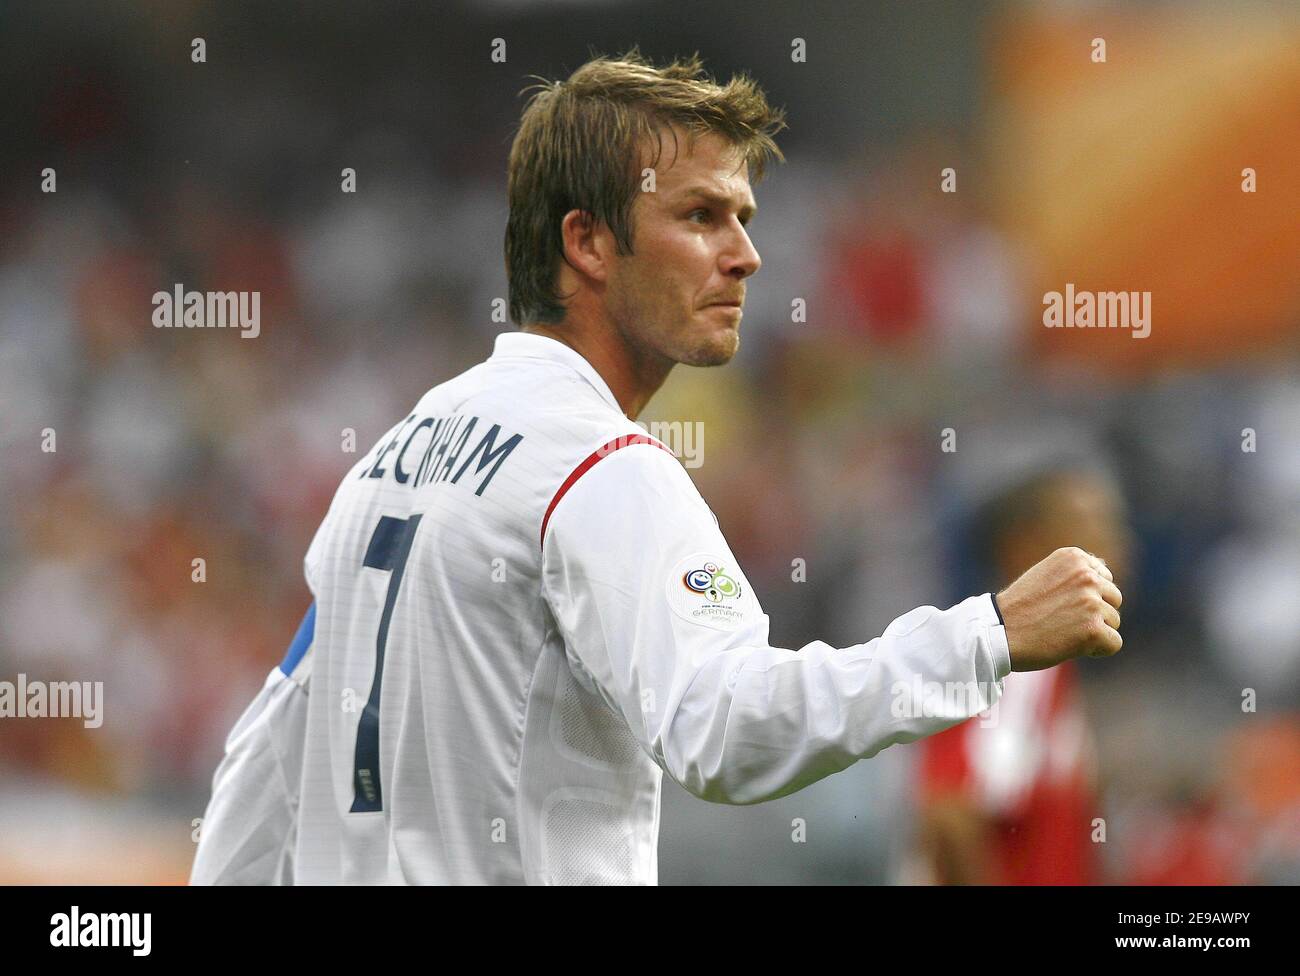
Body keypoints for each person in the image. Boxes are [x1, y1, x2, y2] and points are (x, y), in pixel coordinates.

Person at [190, 49, 1123, 885]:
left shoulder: (389, 461)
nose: (748, 255)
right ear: (585, 241)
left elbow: (269, 756)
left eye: (744, 218)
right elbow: (727, 728)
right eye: (701, 216)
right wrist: (990, 634)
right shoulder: (600, 468)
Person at [915, 465, 1132, 884]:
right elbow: (948, 811)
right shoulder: (1010, 667)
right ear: (1026, 549)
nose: (1119, 544)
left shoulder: (1048, 667)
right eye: (1091, 526)